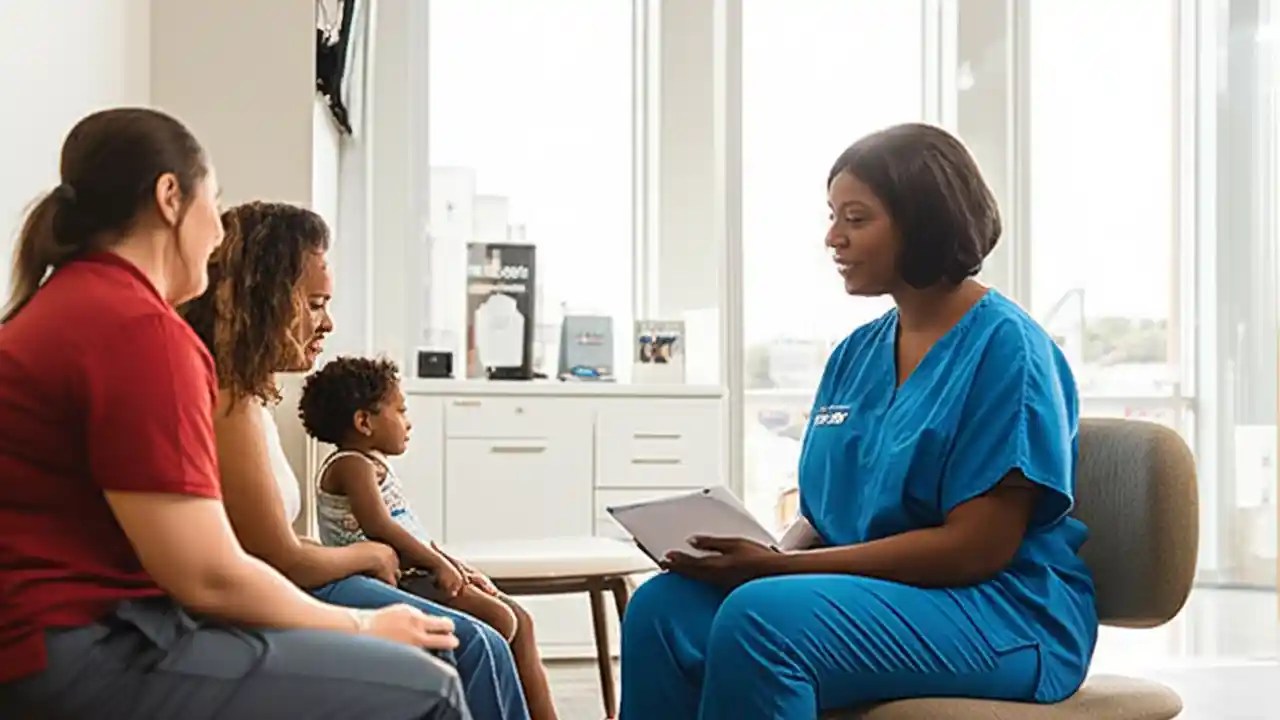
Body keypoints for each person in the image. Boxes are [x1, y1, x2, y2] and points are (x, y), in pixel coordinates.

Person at [619, 123, 1099, 719]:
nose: (833, 238)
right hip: (878, 595)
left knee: (763, 619)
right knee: (663, 609)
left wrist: (779, 572)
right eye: (832, 216)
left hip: (1001, 611)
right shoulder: (855, 353)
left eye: (856, 218)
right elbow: (824, 519)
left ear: (923, 222)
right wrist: (748, 559)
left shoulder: (1008, 350)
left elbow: (976, 549)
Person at [0, 108, 467, 719]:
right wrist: (362, 626)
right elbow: (208, 576)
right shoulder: (140, 332)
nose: (218, 237)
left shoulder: (56, 308)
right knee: (429, 686)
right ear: (170, 197)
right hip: (87, 651)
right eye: (213, 204)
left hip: (53, 642)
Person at [179, 202, 531, 720]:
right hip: (266, 600)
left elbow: (269, 540)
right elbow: (280, 558)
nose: (327, 323)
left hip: (291, 583)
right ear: (266, 297)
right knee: (474, 645)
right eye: (315, 304)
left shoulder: (247, 396)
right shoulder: (228, 401)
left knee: (489, 635)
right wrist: (368, 554)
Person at [299, 355, 561, 720]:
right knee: (500, 619)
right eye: (401, 410)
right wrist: (438, 564)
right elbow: (380, 527)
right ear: (364, 422)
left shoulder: (372, 463)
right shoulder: (350, 465)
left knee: (522, 621)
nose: (408, 422)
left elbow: (412, 529)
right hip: (394, 578)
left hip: (418, 568)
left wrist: (457, 566)